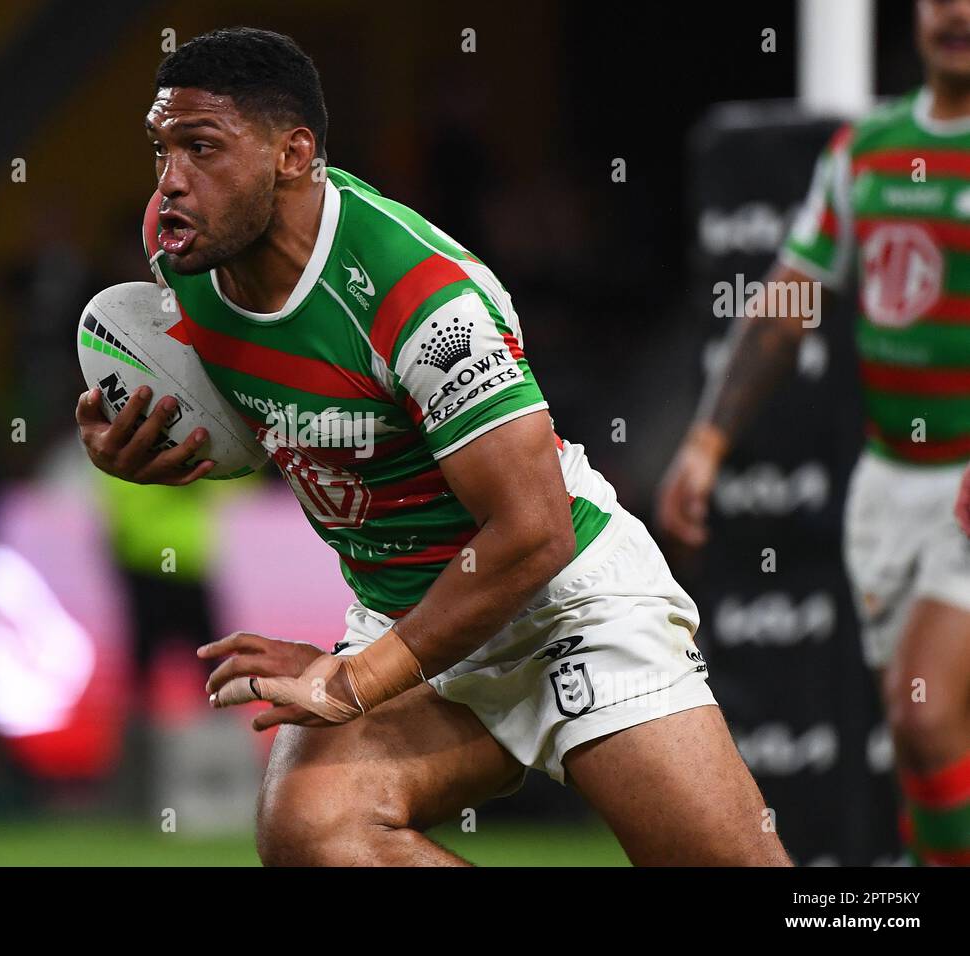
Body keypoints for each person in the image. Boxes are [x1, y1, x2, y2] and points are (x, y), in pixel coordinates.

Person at [78, 27, 789, 865]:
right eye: (161, 148)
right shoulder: (183, 258)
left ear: (293, 154)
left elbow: (532, 531)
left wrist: (352, 678)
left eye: (201, 148)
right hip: (411, 620)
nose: (171, 183)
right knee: (312, 831)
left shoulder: (421, 298)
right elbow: (269, 411)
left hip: (562, 606)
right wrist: (128, 445)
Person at [657, 0, 970, 866]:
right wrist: (709, 440)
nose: (957, 12)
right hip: (890, 484)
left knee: (926, 713)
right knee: (920, 743)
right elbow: (793, 300)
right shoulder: (866, 150)